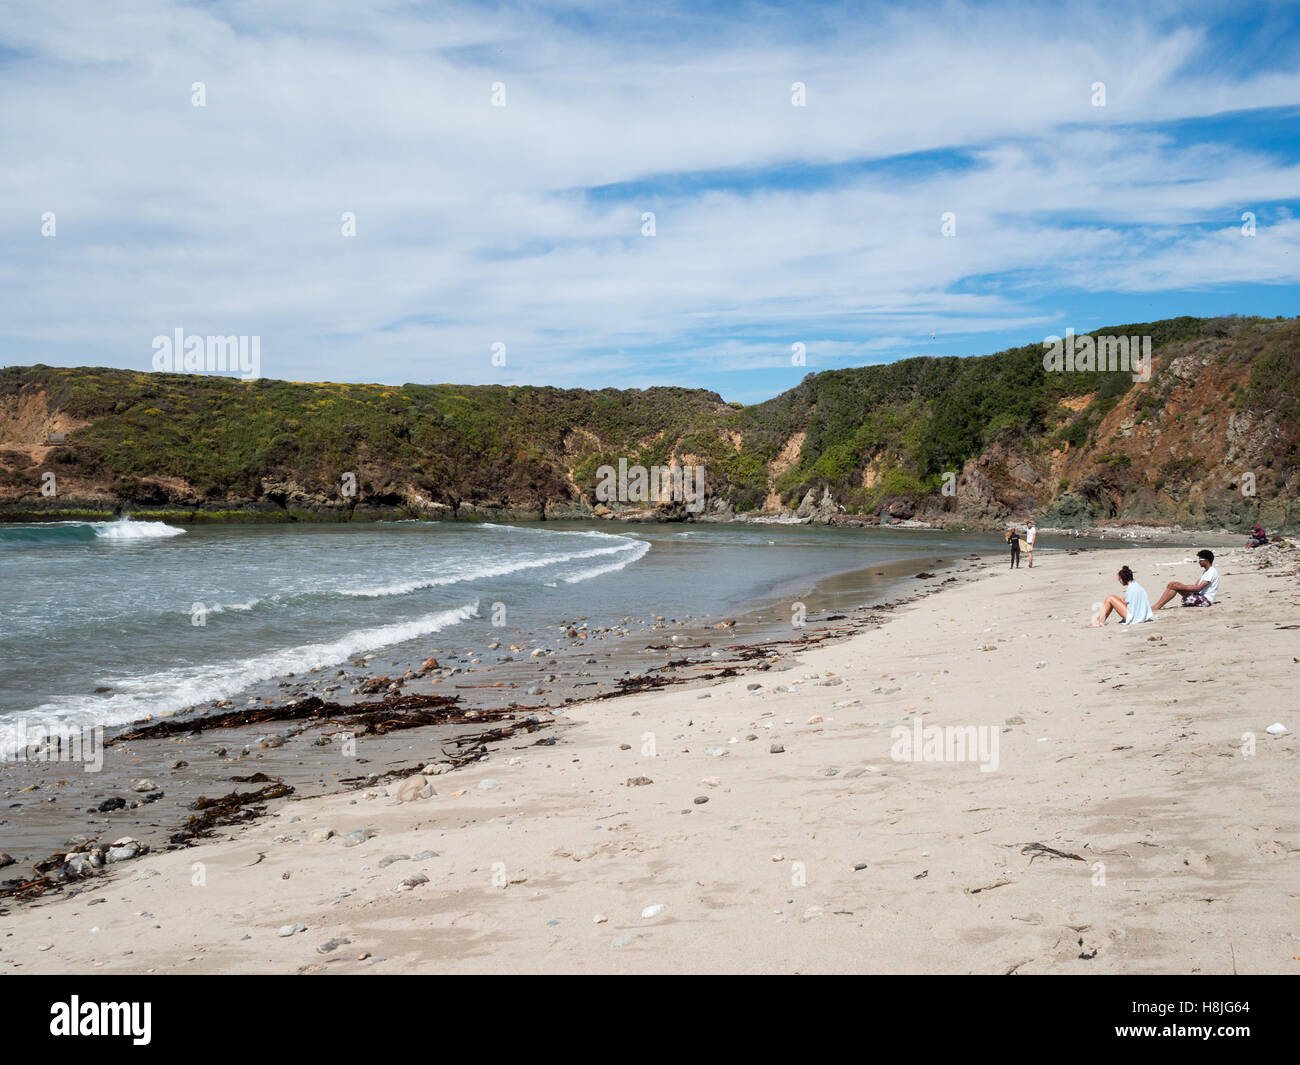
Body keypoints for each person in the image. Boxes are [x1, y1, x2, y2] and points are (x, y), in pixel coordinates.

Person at [1153, 549, 1219, 610]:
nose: (1199, 561)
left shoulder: (1211, 572)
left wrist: (1181, 586)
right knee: (1173, 584)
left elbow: (1198, 588)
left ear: (1207, 561)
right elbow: (1196, 585)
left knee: (1174, 585)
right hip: (1200, 596)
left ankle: (1157, 606)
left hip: (1205, 600)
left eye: (1200, 559)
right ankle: (1157, 605)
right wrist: (1179, 586)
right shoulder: (1206, 572)